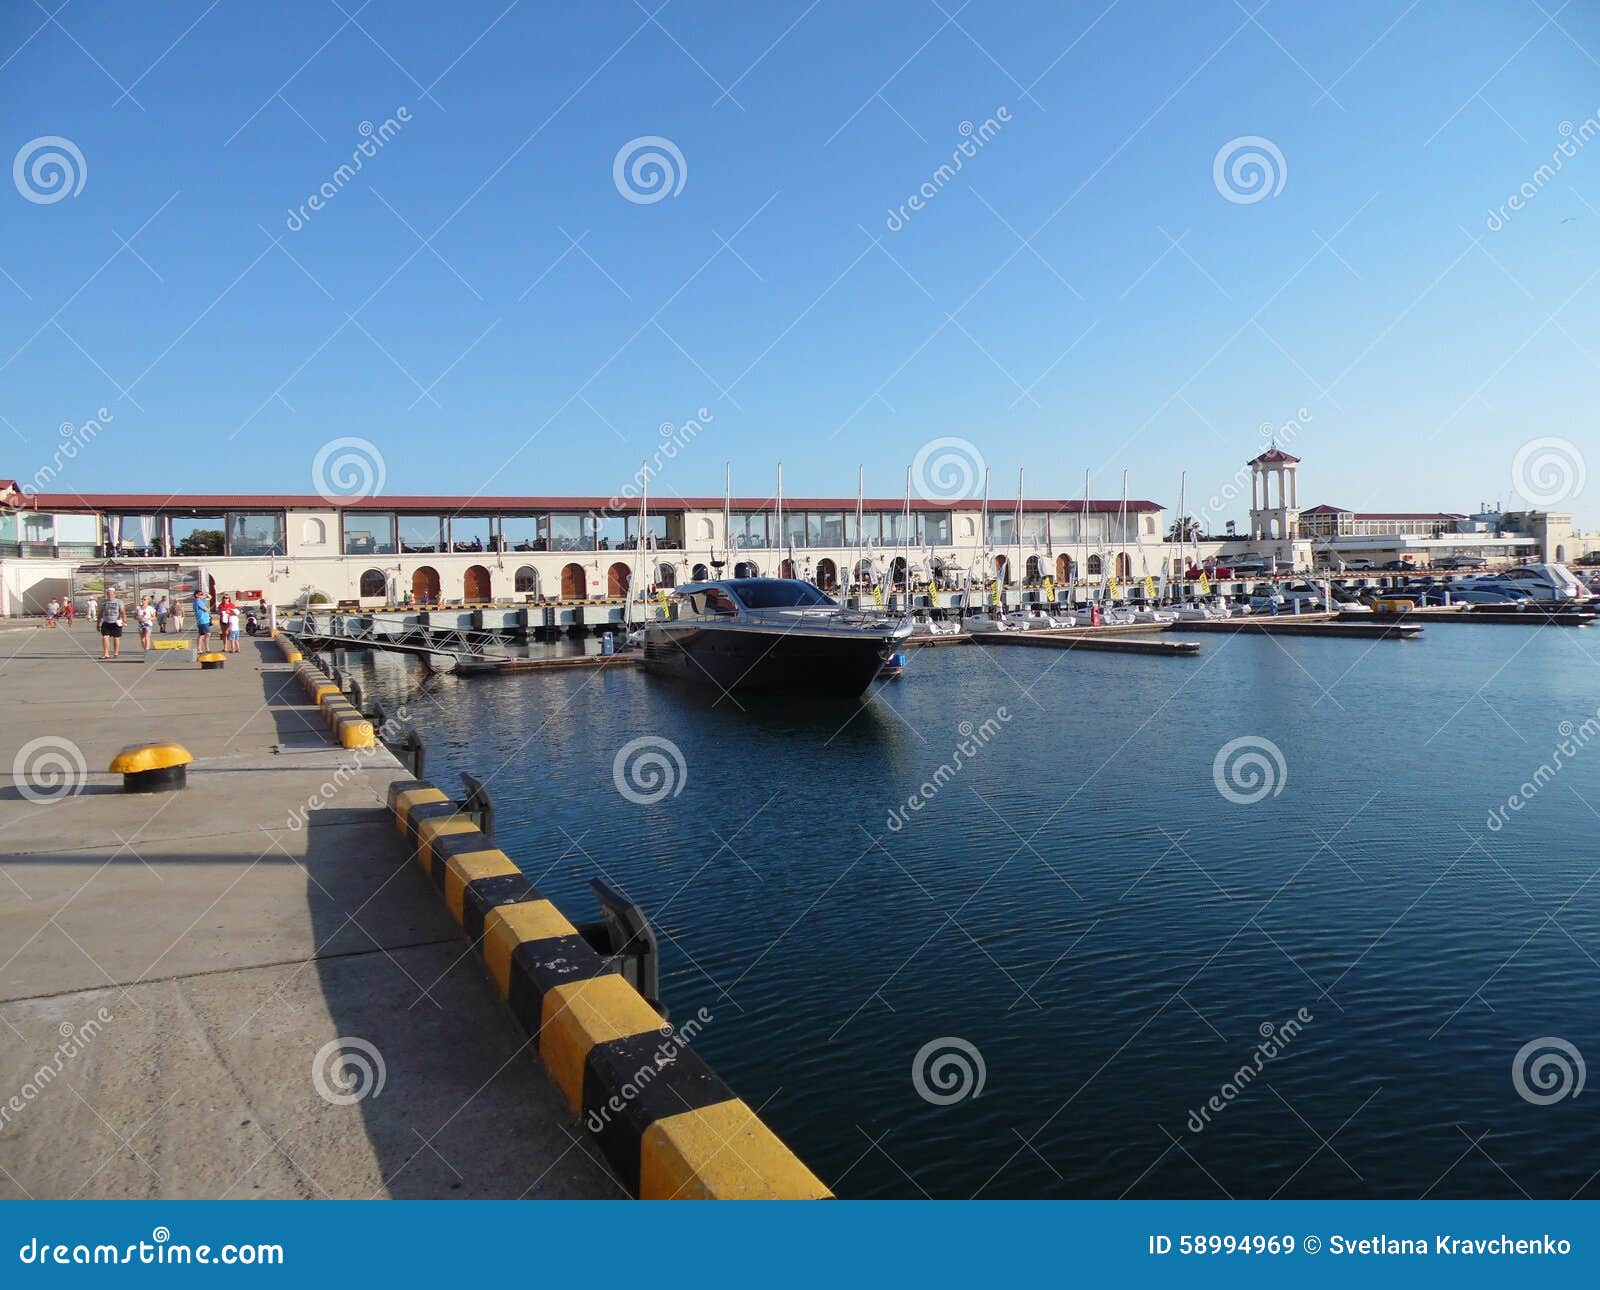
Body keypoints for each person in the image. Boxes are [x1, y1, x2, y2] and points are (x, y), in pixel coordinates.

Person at [99, 589, 125, 659]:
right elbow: (100, 613)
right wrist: (98, 623)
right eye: (108, 594)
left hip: (116, 622)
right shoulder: (104, 602)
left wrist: (124, 620)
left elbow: (122, 611)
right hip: (106, 622)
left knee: (116, 638)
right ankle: (106, 653)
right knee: (105, 637)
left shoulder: (119, 601)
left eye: (111, 594)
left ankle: (116, 652)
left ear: (114, 594)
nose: (110, 595)